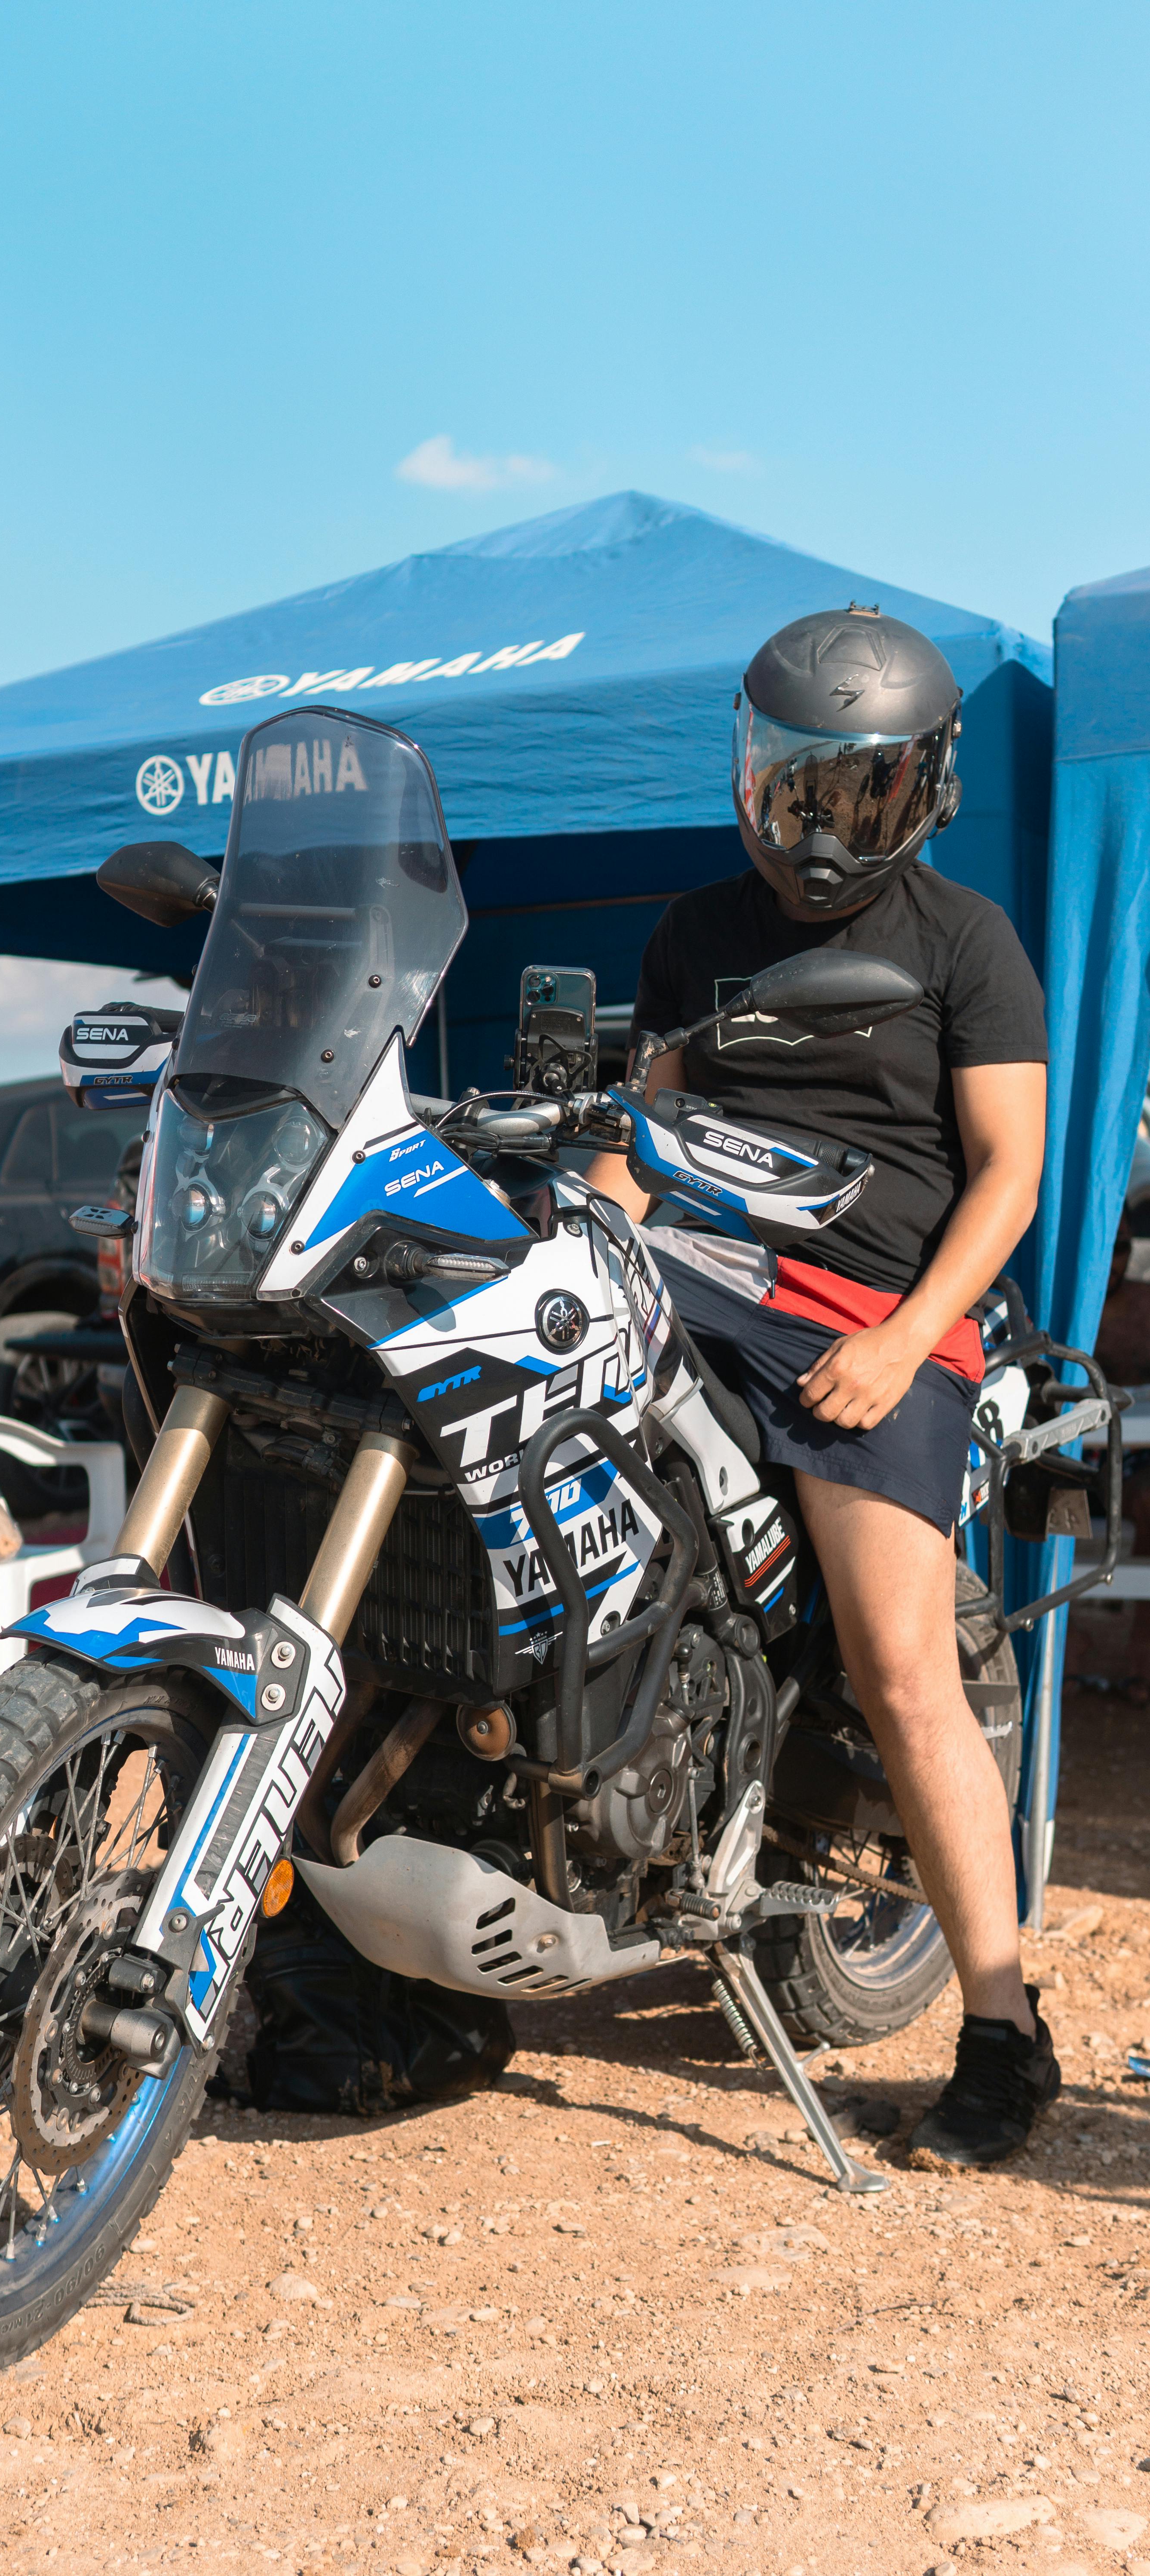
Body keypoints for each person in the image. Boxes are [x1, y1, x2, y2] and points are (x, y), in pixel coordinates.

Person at [585, 603, 1058, 2169]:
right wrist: (580, 1248)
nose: (813, 823)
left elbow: (1006, 1177)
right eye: (791, 783)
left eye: (850, 793)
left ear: (920, 789)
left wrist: (908, 1335)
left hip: (874, 1309)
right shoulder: (692, 934)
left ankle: (1002, 2031)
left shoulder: (962, 944)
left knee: (902, 1662)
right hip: (702, 1283)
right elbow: (638, 1143)